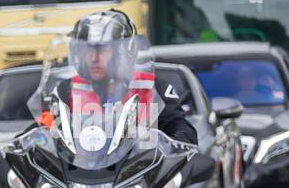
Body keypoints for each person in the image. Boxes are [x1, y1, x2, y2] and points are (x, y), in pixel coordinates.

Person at [60, 10, 196, 146]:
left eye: (102, 49)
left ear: (123, 51)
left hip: (142, 166)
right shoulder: (68, 90)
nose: (94, 58)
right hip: (81, 166)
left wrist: (179, 141)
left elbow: (179, 128)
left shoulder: (151, 88)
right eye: (88, 49)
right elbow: (45, 131)